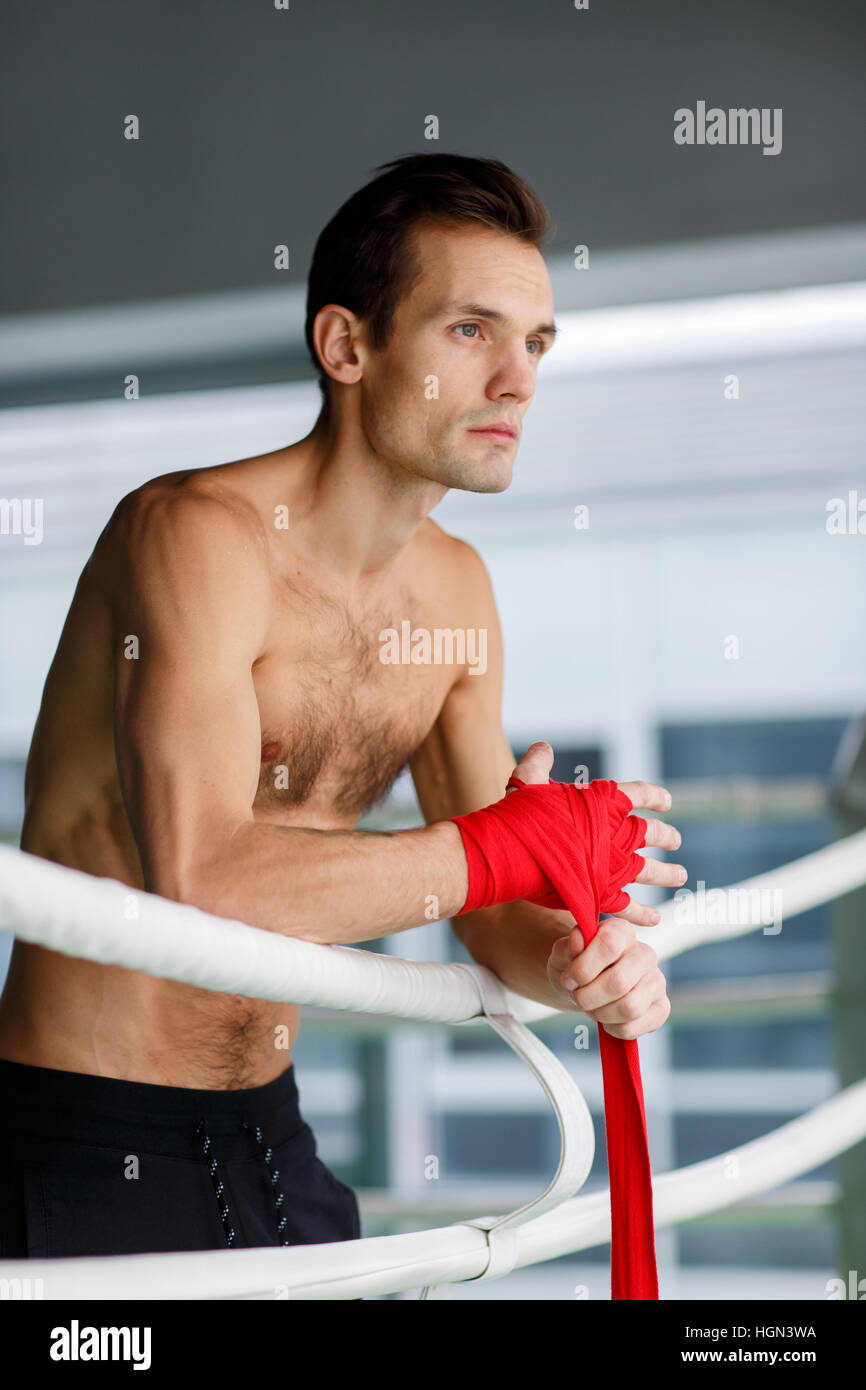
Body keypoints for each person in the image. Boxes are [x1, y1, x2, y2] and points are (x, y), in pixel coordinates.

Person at [0, 153, 684, 1261]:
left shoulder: (457, 588)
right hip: (85, 1139)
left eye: (536, 342)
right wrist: (503, 847)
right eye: (471, 331)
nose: (517, 379)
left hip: (272, 1133)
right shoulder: (193, 536)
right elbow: (207, 881)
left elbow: (488, 905)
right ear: (347, 346)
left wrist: (571, 956)